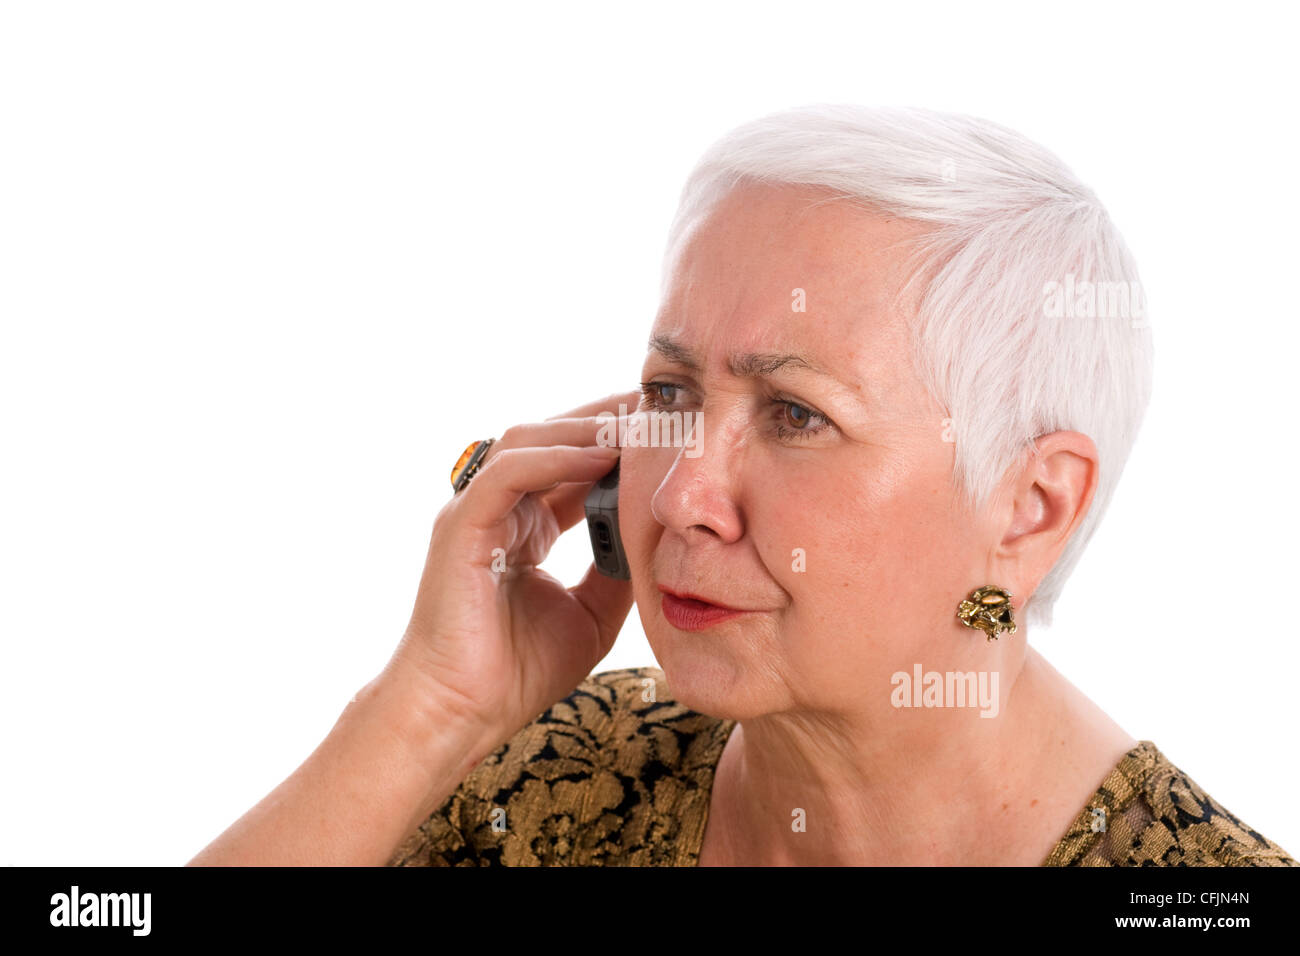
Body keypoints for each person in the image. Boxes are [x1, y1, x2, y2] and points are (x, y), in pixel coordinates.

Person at [190, 105, 1296, 867]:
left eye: (797, 414)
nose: (678, 497)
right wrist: (425, 714)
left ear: (1030, 505)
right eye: (670, 393)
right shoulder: (558, 773)